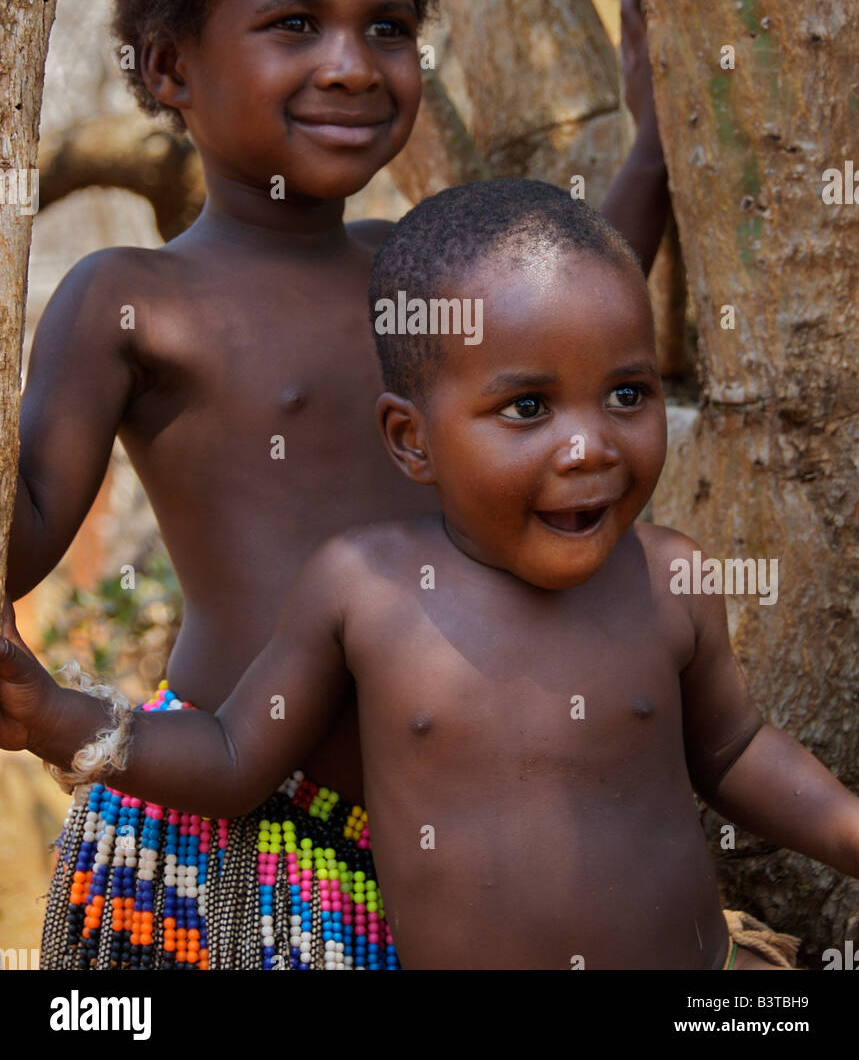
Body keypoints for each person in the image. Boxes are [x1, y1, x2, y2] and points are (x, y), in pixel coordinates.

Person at [5, 0, 668, 971]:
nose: (352, 66)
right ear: (168, 65)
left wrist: (658, 149)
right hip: (223, 836)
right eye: (296, 23)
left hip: (441, 838)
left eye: (390, 26)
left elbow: (578, 314)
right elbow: (27, 530)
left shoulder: (419, 275)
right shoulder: (131, 296)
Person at [4, 180, 855, 971]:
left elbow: (735, 751)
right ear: (411, 440)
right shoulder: (363, 591)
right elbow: (232, 758)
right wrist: (54, 714)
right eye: (527, 407)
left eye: (627, 395)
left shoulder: (670, 577)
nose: (590, 445)